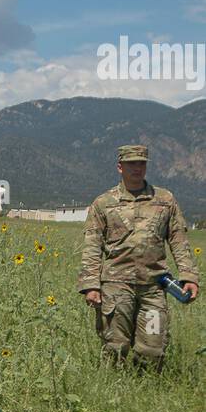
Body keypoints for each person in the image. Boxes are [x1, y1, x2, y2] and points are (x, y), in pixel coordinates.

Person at [77, 144, 199, 368]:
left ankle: (148, 386)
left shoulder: (165, 200)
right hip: (116, 285)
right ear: (120, 167)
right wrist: (91, 284)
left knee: (153, 348)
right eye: (131, 163)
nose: (137, 168)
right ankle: (114, 390)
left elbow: (178, 240)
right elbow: (92, 246)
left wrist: (189, 276)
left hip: (153, 286)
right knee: (115, 346)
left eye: (141, 163)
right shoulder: (103, 203)